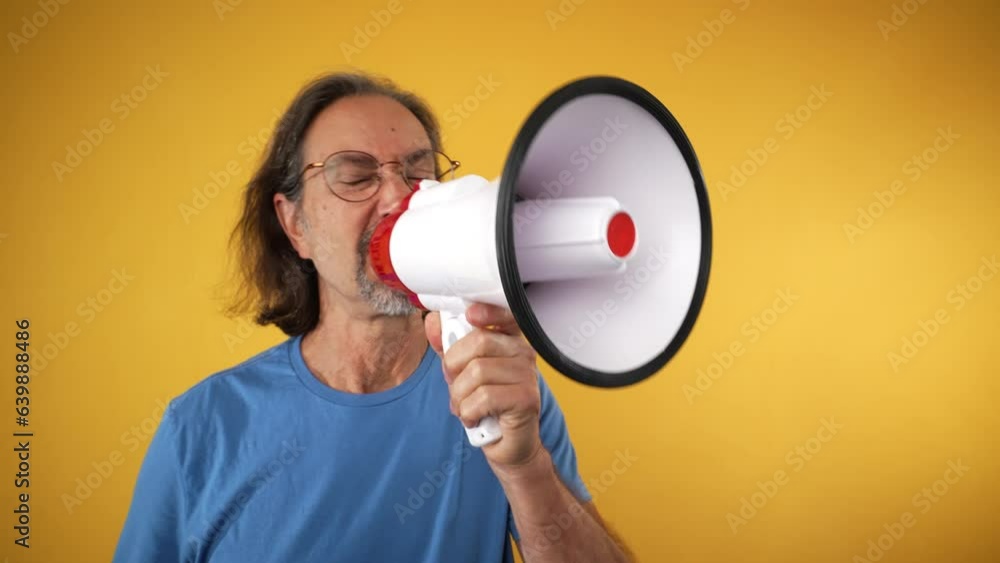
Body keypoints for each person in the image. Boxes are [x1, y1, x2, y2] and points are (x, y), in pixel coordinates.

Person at [113, 72, 633, 562]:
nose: (398, 198)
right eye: (356, 176)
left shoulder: (500, 391)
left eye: (418, 172)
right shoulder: (203, 426)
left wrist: (524, 467)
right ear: (294, 225)